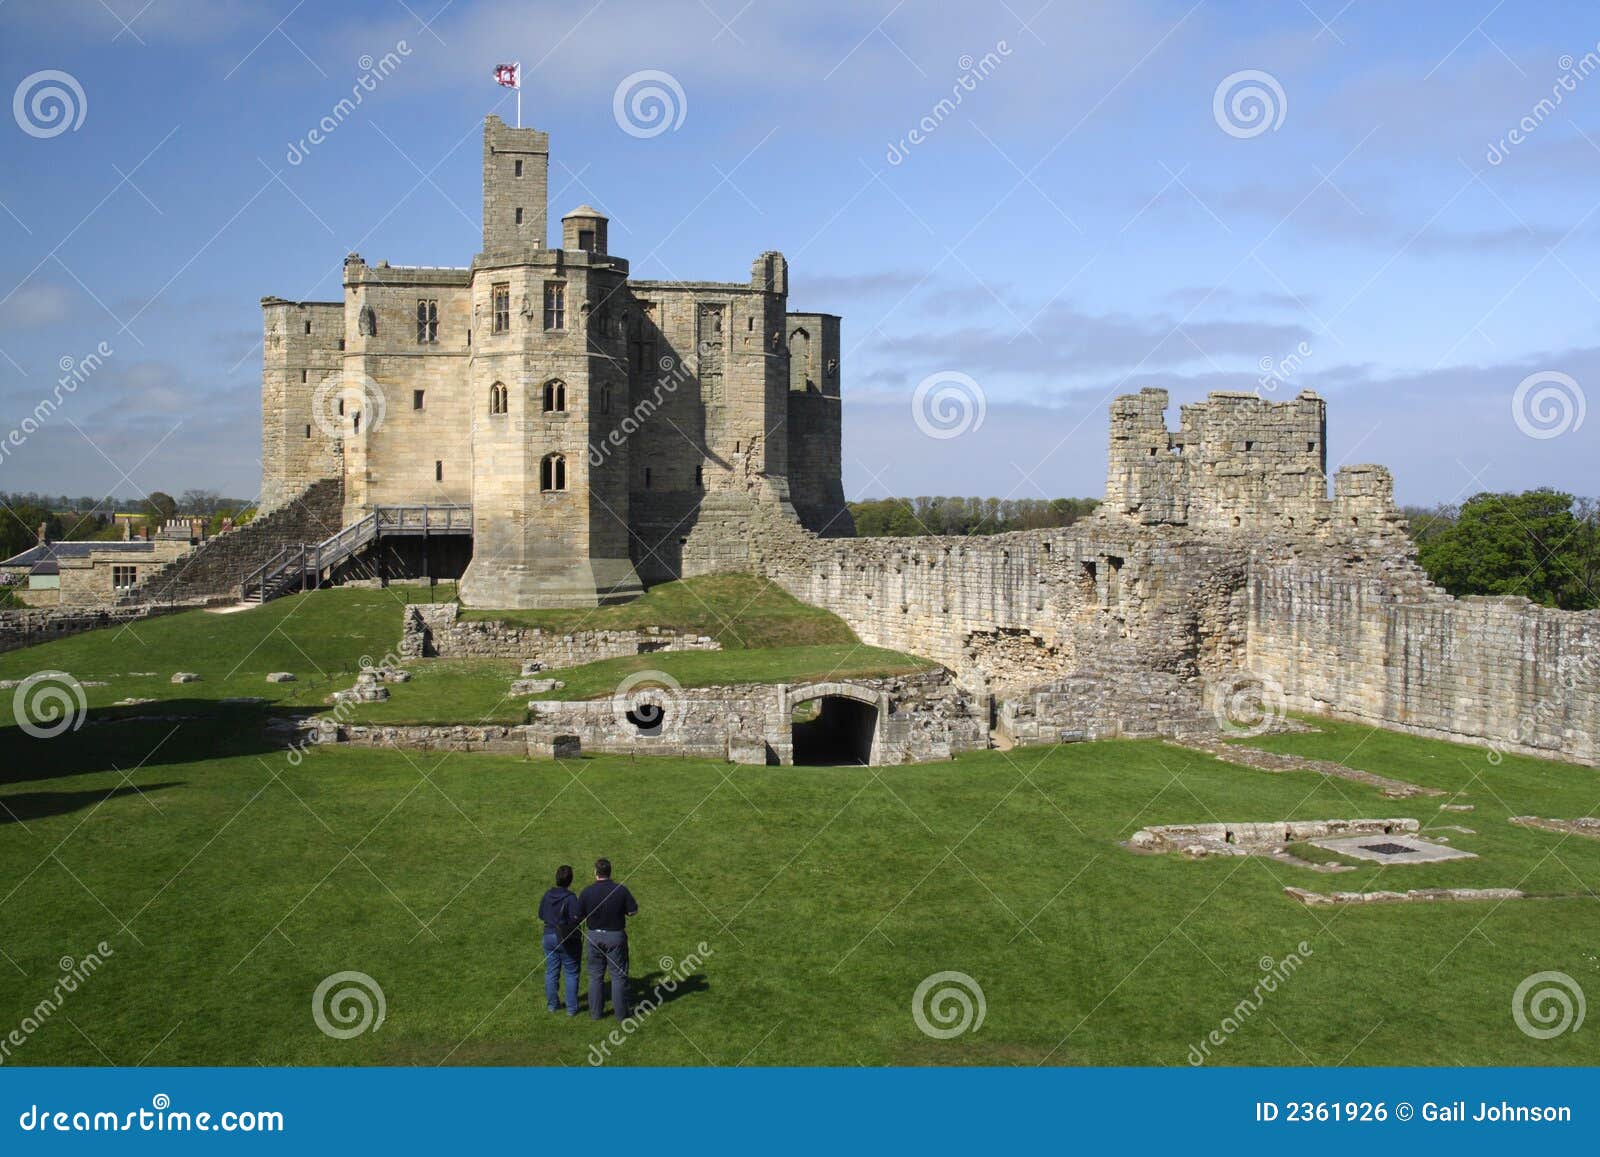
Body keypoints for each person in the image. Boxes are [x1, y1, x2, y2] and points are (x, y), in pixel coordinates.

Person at [577, 857, 638, 1022]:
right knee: (618, 976)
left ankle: (595, 1013)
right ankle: (621, 1014)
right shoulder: (621, 890)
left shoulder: (587, 891)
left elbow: (578, 915)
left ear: (595, 872)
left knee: (595, 976)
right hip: (615, 936)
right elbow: (632, 911)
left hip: (594, 936)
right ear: (610, 872)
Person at [538, 865, 582, 1016]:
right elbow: (577, 918)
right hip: (565, 938)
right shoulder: (571, 898)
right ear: (570, 880)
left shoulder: (547, 894)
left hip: (548, 936)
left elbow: (541, 914)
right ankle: (571, 1009)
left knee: (551, 971)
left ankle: (552, 1005)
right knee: (571, 973)